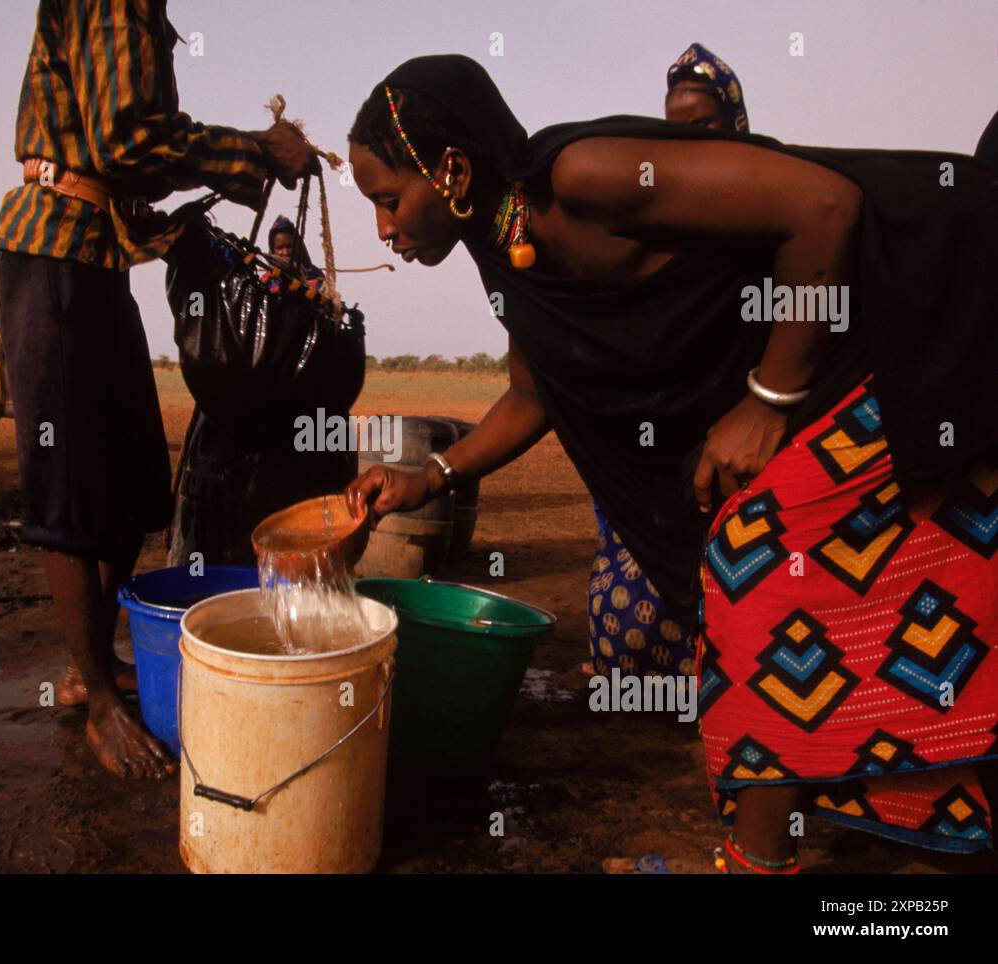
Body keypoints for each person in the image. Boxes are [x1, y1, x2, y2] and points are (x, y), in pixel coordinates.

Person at [344, 54, 997, 871]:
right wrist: (430, 478)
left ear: (451, 169)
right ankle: (926, 813)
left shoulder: (581, 175)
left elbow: (825, 206)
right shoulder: (505, 251)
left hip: (891, 337)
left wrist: (768, 397)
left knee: (750, 569)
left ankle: (757, 858)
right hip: (824, 381)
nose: (384, 228)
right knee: (825, 606)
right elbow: (534, 395)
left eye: (386, 198)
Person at [0, 0, 318, 779]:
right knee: (72, 482)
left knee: (133, 481)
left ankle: (87, 666)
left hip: (95, 251)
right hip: (55, 253)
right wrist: (254, 152)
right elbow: (127, 140)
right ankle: (101, 701)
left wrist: (182, 231)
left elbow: (112, 169)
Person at [583, 42, 752, 683]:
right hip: (664, 433)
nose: (686, 144)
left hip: (750, 426)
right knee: (626, 645)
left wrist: (763, 401)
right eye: (672, 130)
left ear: (736, 124)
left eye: (702, 127)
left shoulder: (774, 204)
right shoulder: (656, 216)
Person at [167, 213, 354, 568]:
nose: (283, 253)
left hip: (296, 414)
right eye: (278, 248)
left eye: (288, 247)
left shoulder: (314, 282)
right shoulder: (260, 283)